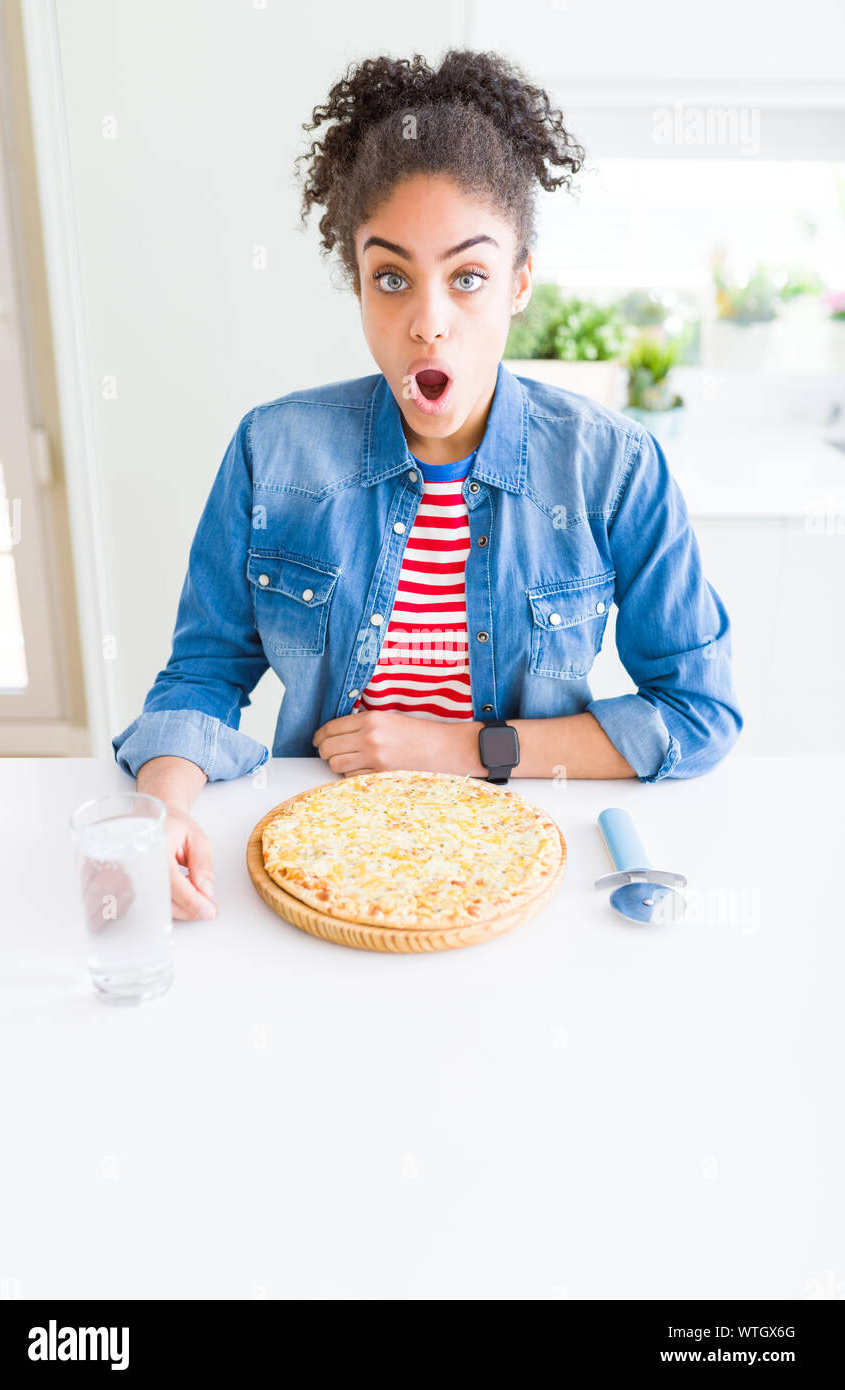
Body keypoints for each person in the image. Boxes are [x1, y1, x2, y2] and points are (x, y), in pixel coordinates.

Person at [112, 49, 742, 922]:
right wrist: (165, 811)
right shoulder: (274, 449)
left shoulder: (612, 465)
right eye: (392, 277)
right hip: (314, 855)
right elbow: (203, 674)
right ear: (359, 286)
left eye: (469, 277)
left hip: (521, 859)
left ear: (519, 284)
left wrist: (464, 749)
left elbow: (697, 714)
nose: (428, 322)